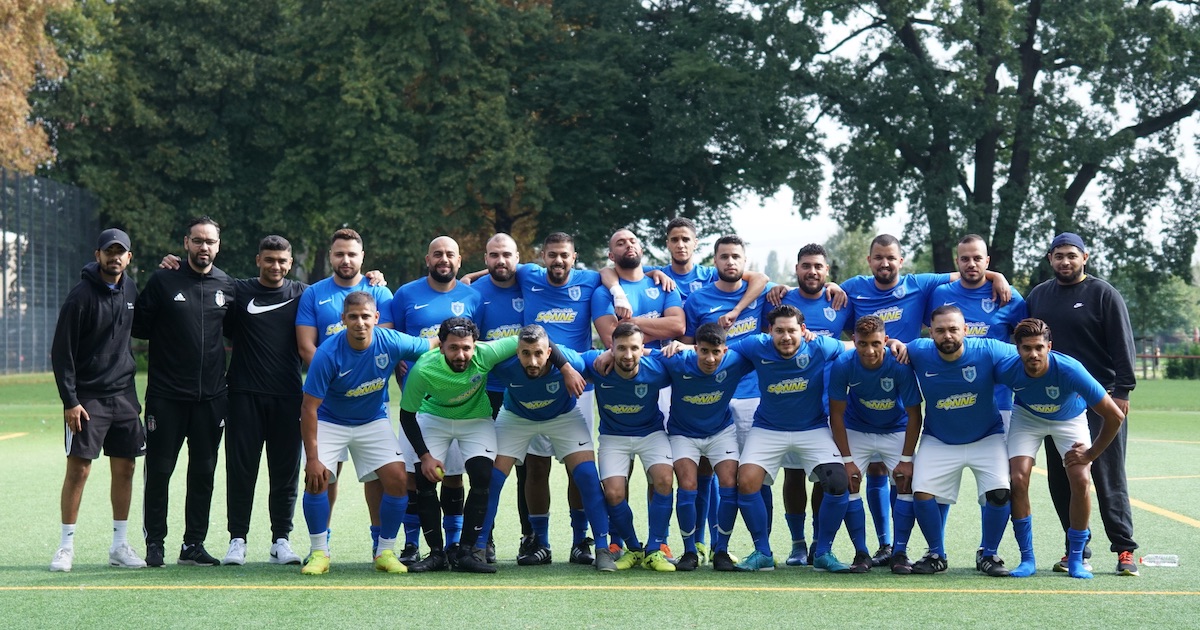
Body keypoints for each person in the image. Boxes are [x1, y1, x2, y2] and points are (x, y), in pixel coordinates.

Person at [400, 317, 585, 573]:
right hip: (434, 417)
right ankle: (436, 554)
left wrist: (565, 368)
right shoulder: (422, 369)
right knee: (424, 481)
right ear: (440, 347)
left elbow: (534, 336)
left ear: (476, 345)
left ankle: (466, 552)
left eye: (466, 348)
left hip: (475, 418)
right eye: (453, 348)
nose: (461, 355)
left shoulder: (487, 353)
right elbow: (407, 416)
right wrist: (426, 456)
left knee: (483, 476)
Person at [1026, 232, 1139, 576]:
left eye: (1071, 255)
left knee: (1107, 476)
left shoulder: (1103, 294)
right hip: (1055, 402)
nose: (1065, 262)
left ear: (1084, 258)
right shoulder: (1039, 296)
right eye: (1058, 256)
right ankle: (1077, 548)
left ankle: (1124, 549)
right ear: (1050, 259)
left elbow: (1123, 346)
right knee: (1065, 476)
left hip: (1099, 398)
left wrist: (1122, 392)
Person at [298, 292, 433, 575]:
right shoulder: (327, 354)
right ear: (343, 319)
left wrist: (474, 347)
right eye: (353, 317)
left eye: (365, 317)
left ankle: (384, 550)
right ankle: (319, 552)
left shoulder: (391, 341)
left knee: (397, 478)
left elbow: (431, 344)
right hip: (330, 421)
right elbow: (309, 408)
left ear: (376, 318)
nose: (360, 323)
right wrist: (312, 458)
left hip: (372, 420)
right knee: (317, 478)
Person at [132, 216, 236, 567]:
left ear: (218, 246)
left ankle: (193, 545)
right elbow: (138, 324)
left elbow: (241, 331)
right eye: (197, 240)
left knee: (204, 471)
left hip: (211, 400)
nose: (204, 247)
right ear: (185, 243)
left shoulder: (228, 285)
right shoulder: (164, 280)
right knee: (160, 469)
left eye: (210, 241)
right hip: (167, 397)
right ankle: (155, 543)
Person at [722, 305, 851, 572]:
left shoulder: (821, 346)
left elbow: (854, 348)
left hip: (812, 428)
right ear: (769, 331)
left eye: (792, 330)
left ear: (803, 331)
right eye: (779, 331)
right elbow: (716, 352)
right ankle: (763, 551)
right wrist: (677, 348)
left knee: (838, 481)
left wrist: (893, 344)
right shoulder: (756, 345)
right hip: (768, 428)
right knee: (746, 481)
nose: (786, 337)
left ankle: (824, 552)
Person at [994, 318, 1126, 578]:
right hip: (1028, 417)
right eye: (1027, 348)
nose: (1033, 354)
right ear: (1017, 348)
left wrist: (1090, 455)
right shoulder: (1006, 369)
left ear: (1049, 347)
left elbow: (1115, 416)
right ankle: (1027, 559)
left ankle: (1076, 559)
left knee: (1080, 479)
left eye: (1039, 348)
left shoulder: (1070, 369)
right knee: (1017, 480)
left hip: (1070, 419)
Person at [481, 324, 616, 571]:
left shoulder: (571, 360)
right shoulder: (503, 363)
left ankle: (600, 547)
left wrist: (609, 352)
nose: (532, 361)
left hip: (563, 417)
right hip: (516, 418)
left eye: (539, 354)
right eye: (525, 354)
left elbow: (602, 357)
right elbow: (471, 357)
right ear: (517, 351)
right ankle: (484, 547)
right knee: (493, 479)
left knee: (586, 475)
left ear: (549, 351)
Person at [49, 228, 146, 572]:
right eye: (109, 251)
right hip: (87, 398)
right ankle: (65, 547)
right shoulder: (80, 297)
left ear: (129, 258)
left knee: (127, 468)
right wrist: (70, 400)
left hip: (123, 396)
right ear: (98, 255)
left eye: (121, 252)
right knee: (80, 469)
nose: (115, 257)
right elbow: (62, 353)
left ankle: (119, 546)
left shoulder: (131, 288)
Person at [295, 228, 394, 558]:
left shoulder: (379, 290)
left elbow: (389, 342)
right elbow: (308, 346)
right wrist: (338, 377)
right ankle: (320, 548)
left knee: (378, 478)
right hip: (328, 404)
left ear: (362, 257)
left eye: (352, 254)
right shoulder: (315, 293)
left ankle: (381, 546)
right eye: (339, 254)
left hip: (372, 407)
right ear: (331, 257)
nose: (346, 260)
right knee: (324, 475)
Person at [898, 305, 1016, 576]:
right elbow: (884, 347)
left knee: (999, 493)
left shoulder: (987, 349)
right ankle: (936, 554)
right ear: (931, 332)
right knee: (922, 492)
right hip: (939, 438)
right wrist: (894, 343)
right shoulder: (918, 350)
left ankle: (989, 554)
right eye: (940, 330)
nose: (947, 335)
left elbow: (1032, 356)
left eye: (953, 329)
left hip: (987, 436)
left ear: (965, 330)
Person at [391, 236, 480, 563]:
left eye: (450, 255)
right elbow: (394, 342)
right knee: (414, 475)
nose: (444, 259)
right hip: (419, 404)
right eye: (437, 254)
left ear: (459, 261)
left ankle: (454, 544)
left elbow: (476, 346)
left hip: (459, 402)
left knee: (453, 475)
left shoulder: (473, 296)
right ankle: (412, 543)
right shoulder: (405, 294)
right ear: (427, 259)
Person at [220, 236, 307, 566]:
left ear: (290, 262)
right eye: (269, 259)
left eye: (282, 261)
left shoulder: (302, 294)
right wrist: (174, 262)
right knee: (241, 471)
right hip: (243, 395)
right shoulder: (239, 290)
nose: (276, 266)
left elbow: (340, 295)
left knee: (285, 472)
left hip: (288, 396)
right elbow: (204, 276)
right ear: (258, 260)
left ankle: (280, 539)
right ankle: (237, 539)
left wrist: (374, 279)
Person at [827, 315, 923, 574]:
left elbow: (915, 414)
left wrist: (906, 459)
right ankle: (861, 552)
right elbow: (836, 414)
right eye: (863, 344)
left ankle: (900, 552)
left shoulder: (900, 365)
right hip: (858, 428)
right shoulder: (844, 364)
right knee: (848, 482)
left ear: (886, 340)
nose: (870, 351)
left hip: (896, 429)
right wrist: (847, 461)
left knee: (906, 481)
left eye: (876, 344)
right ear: (854, 341)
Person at [658, 323, 756, 571]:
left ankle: (720, 550)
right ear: (696, 349)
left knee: (729, 483)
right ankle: (689, 551)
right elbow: (643, 354)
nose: (710, 359)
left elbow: (770, 351)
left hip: (720, 432)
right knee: (688, 485)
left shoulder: (735, 360)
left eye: (716, 352)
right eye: (704, 351)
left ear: (725, 350)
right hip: (683, 434)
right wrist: (607, 352)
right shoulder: (678, 360)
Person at [581, 322, 676, 572]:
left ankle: (655, 548)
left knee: (664, 479)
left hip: (651, 433)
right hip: (614, 436)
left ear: (643, 348)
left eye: (634, 348)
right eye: (621, 348)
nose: (628, 355)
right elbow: (563, 356)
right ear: (611, 347)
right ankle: (633, 548)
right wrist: (603, 354)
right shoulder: (597, 364)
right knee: (613, 494)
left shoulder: (657, 366)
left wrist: (681, 345)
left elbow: (695, 354)